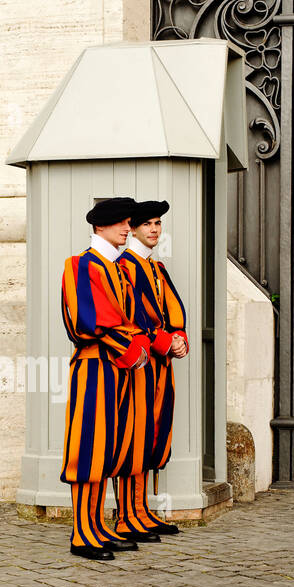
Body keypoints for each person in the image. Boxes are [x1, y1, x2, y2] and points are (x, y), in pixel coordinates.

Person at [60, 198, 152, 559]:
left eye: (128, 222)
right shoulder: (81, 265)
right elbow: (86, 320)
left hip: (119, 369)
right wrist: (130, 350)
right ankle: (81, 533)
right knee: (88, 448)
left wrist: (137, 347)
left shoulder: (118, 270)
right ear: (100, 226)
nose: (127, 228)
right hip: (95, 366)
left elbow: (128, 320)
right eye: (120, 223)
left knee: (110, 447)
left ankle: (96, 525)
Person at [115, 200, 188, 540]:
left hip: (160, 366)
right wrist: (164, 341)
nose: (155, 229)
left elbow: (174, 311)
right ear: (134, 228)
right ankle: (127, 516)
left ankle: (141, 510)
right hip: (139, 364)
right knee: (133, 435)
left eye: (158, 223)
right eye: (147, 224)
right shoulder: (125, 267)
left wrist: (180, 338)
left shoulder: (156, 269)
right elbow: (131, 318)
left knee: (153, 434)